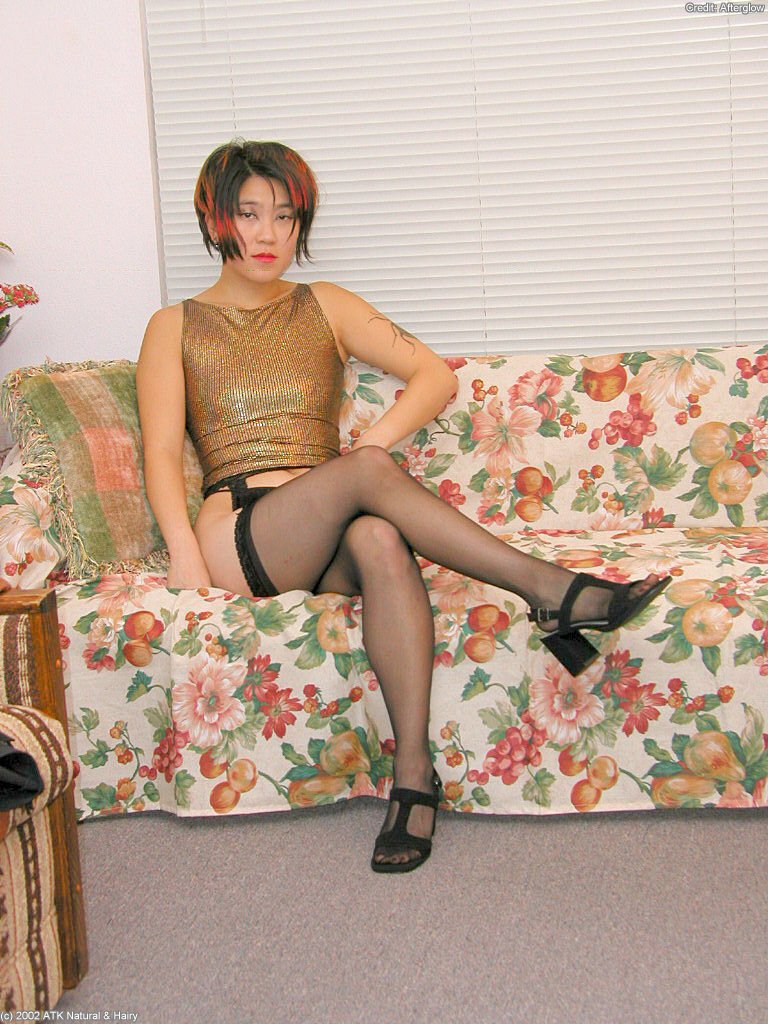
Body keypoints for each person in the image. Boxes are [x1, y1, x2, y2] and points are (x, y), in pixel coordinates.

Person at [136, 139, 669, 874]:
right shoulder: (174, 324)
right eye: (249, 214)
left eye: (285, 217)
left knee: (382, 539)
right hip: (241, 531)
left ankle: (414, 779)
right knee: (365, 482)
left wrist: (369, 449)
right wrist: (185, 558)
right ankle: (552, 593)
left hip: (330, 519)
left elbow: (431, 376)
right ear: (214, 219)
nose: (268, 234)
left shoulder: (325, 305)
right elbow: (163, 453)